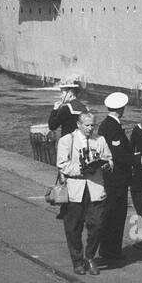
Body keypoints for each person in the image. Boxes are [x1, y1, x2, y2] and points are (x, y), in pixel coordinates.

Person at [57, 110, 112, 274]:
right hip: (75, 189)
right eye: (87, 125)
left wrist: (106, 165)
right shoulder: (67, 140)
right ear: (78, 125)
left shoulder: (100, 140)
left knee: (97, 225)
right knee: (74, 227)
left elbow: (109, 158)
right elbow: (62, 164)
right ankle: (77, 261)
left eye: (93, 125)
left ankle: (89, 256)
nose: (90, 129)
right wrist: (81, 169)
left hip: (95, 188)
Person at [97, 91, 135, 262]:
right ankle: (112, 252)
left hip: (110, 177)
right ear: (121, 108)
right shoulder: (113, 127)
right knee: (116, 215)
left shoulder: (105, 125)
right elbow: (119, 155)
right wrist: (137, 158)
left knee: (110, 214)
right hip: (116, 178)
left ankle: (108, 250)